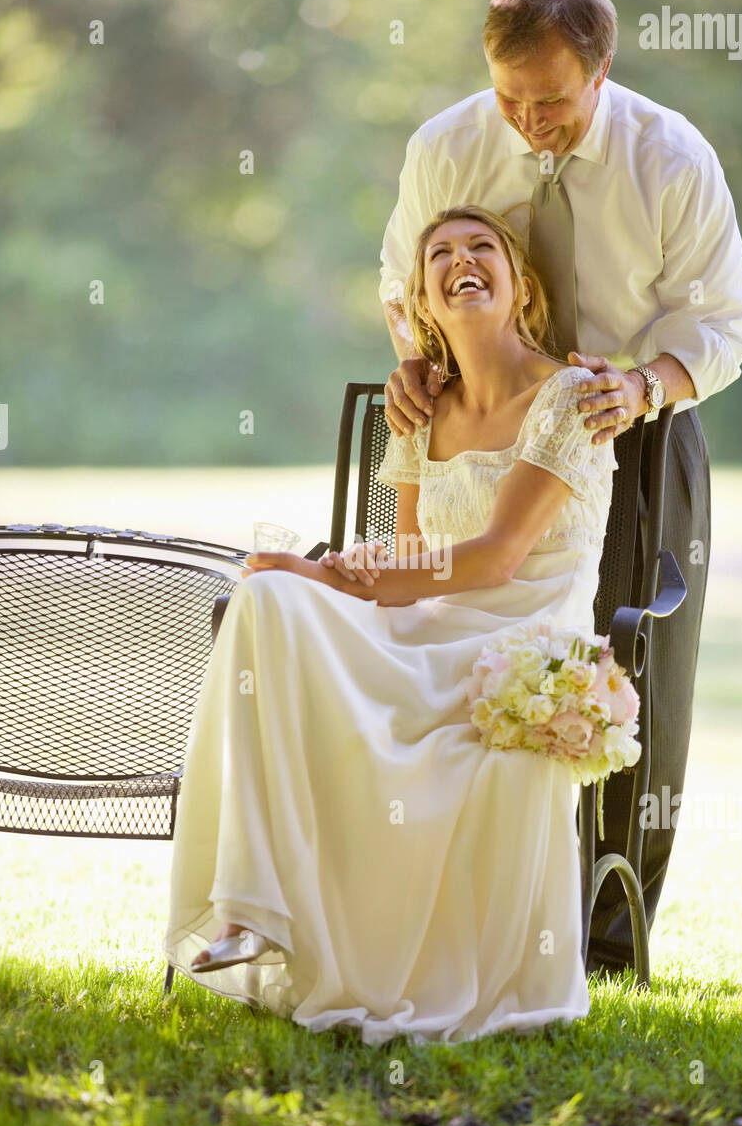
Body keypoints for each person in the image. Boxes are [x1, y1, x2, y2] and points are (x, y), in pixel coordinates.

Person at [379, 0, 742, 974]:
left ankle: (605, 932)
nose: (527, 121)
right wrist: (417, 359)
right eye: (509, 97)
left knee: (632, 666)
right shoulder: (445, 144)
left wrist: (641, 385)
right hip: (483, 421)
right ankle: (455, 907)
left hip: (630, 426)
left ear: (600, 70)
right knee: (458, 633)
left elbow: (723, 321)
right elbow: (397, 279)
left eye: (549, 101)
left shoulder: (669, 157)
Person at [163, 205, 615, 1045]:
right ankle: (250, 910)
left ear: (521, 288)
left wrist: (328, 569)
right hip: (429, 630)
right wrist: (330, 580)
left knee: (294, 586)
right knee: (266, 600)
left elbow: (495, 559)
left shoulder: (570, 397)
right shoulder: (417, 412)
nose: (461, 260)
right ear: (424, 302)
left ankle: (306, 924)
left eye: (483, 247)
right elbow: (406, 572)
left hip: (517, 638)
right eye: (440, 253)